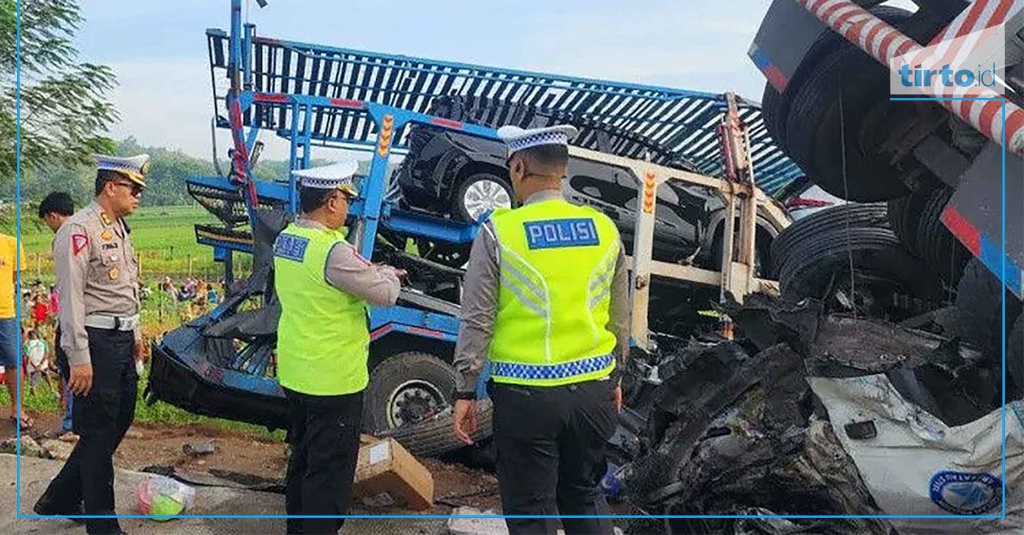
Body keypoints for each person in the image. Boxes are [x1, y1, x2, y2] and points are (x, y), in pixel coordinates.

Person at [451, 125, 630, 535]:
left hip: (525, 398)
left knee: (532, 511)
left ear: (518, 166)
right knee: (584, 498)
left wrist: (464, 387)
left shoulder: (500, 232)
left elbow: (477, 316)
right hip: (592, 393)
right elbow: (620, 316)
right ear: (562, 171)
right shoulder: (604, 228)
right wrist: (616, 375)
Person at [273, 161, 404, 535]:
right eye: (345, 199)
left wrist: (367, 270)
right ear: (331, 201)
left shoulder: (289, 238)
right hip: (334, 380)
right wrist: (387, 274)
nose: (348, 206)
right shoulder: (333, 249)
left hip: (298, 373)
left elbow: (329, 278)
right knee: (329, 474)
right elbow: (385, 295)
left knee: (302, 460)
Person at [34, 154, 149, 535]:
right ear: (110, 187)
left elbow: (124, 290)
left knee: (117, 422)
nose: (138, 197)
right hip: (93, 342)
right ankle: (103, 526)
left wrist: (134, 335)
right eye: (133, 189)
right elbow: (71, 298)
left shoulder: (117, 229)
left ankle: (61, 496)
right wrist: (78, 357)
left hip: (119, 339)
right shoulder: (78, 230)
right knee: (99, 434)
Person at [39, 190, 76, 438]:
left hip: (72, 314)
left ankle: (71, 422)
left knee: (69, 367)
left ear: (52, 216)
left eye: (46, 222)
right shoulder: (88, 228)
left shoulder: (63, 236)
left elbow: (67, 284)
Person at [0, 229, 30, 430]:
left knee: (14, 360)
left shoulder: (11, 244)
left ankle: (17, 408)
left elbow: (13, 279)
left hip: (5, 313)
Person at [24, 329, 51, 395]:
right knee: (46, 374)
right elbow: (46, 353)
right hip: (43, 363)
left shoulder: (27, 344)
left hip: (33, 364)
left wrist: (34, 366)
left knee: (33, 377)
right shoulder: (43, 342)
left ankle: (33, 390)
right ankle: (51, 388)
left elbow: (28, 357)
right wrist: (41, 363)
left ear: (29, 336)